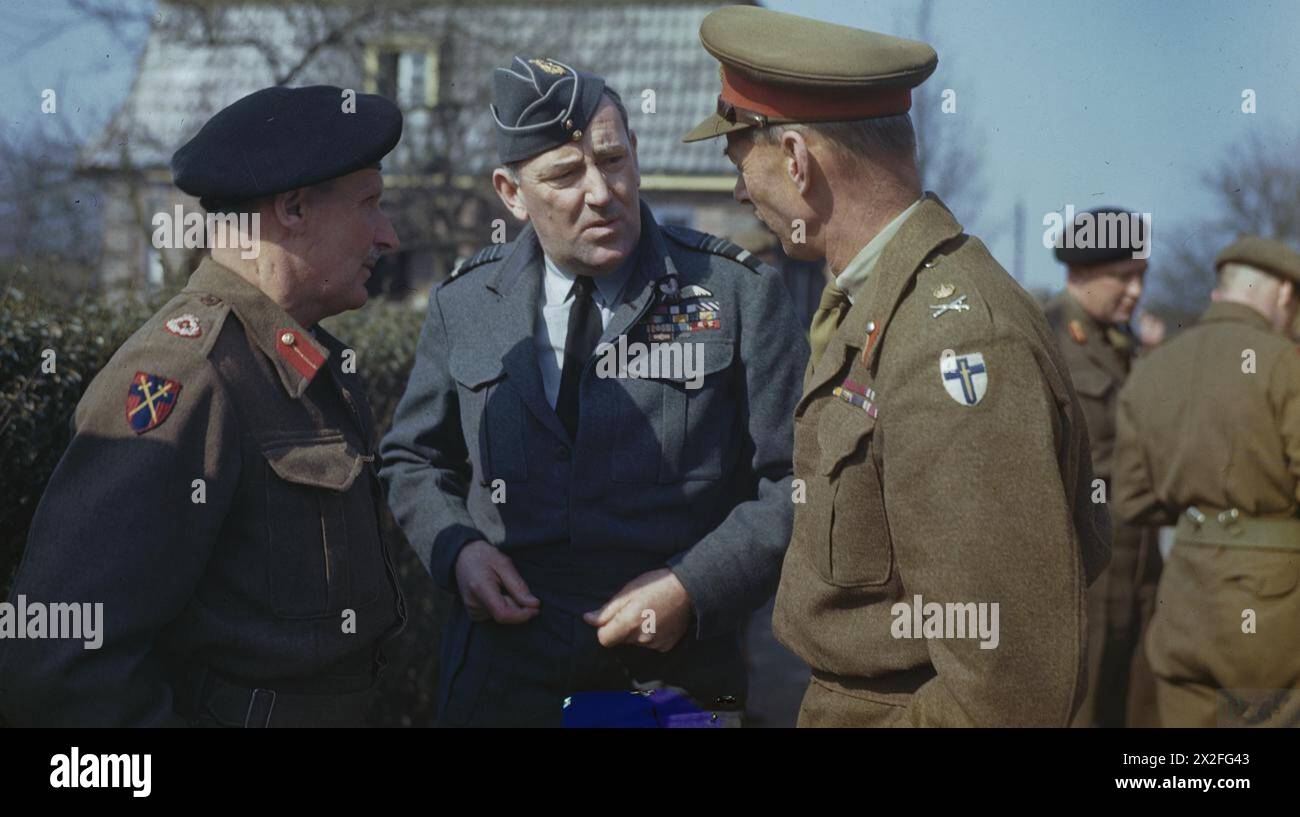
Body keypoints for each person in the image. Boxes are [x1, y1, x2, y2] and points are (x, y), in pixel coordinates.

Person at [684, 5, 1110, 726]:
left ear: (795, 158)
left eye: (740, 163)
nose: (738, 191)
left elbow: (1007, 690)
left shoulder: (955, 342)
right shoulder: (879, 305)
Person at [379, 56, 805, 727]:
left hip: (675, 682)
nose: (601, 192)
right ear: (511, 193)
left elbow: (793, 483)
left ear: (635, 153)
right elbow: (412, 460)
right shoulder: (465, 302)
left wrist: (694, 587)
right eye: (565, 175)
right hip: (503, 679)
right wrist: (458, 548)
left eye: (612, 160)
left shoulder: (735, 294)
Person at [0, 85, 407, 727]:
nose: (387, 235)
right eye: (369, 206)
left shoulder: (304, 359)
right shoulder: (186, 374)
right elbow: (56, 660)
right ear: (294, 209)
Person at [1115, 235, 1300, 727]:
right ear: (1284, 294)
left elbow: (1131, 500)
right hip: (1272, 611)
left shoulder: (1154, 369)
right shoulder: (1287, 365)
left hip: (1185, 603)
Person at [1044, 209, 1160, 727]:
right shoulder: (1049, 339)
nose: (1136, 292)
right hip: (1084, 560)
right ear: (1082, 271)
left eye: (1142, 277)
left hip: (1137, 557)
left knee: (1131, 701)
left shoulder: (1124, 345)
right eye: (1124, 277)